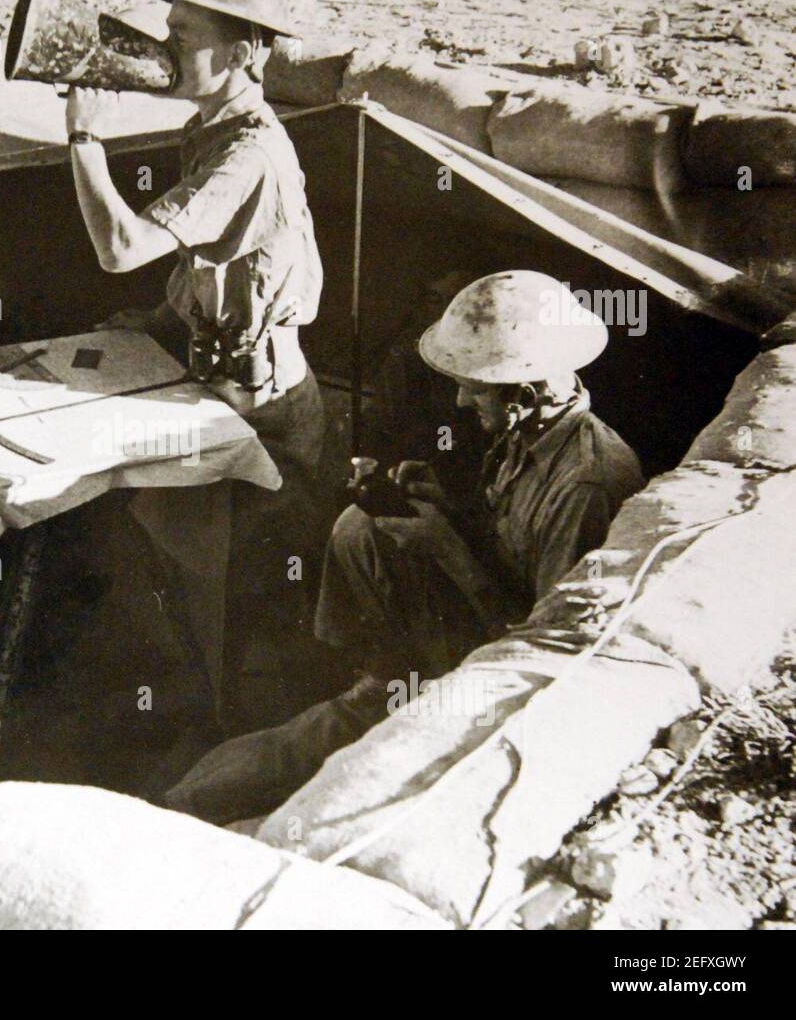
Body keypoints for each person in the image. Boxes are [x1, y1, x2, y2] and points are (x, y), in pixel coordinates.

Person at [163, 270, 647, 822]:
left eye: (475, 386)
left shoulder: (586, 487)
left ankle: (183, 807)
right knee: (358, 527)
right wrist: (446, 504)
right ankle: (369, 681)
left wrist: (447, 549)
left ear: (527, 394)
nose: (462, 400)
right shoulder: (530, 432)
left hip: (494, 682)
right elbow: (509, 543)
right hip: (466, 632)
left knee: (305, 751)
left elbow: (544, 653)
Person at [64, 0, 325, 726]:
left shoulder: (247, 152)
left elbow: (120, 249)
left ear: (245, 50)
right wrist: (155, 326)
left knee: (253, 604)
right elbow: (210, 265)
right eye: (167, 29)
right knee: (189, 568)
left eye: (185, 33)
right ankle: (198, 705)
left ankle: (229, 734)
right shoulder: (211, 129)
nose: (166, 47)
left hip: (264, 406)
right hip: (223, 381)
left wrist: (84, 139)